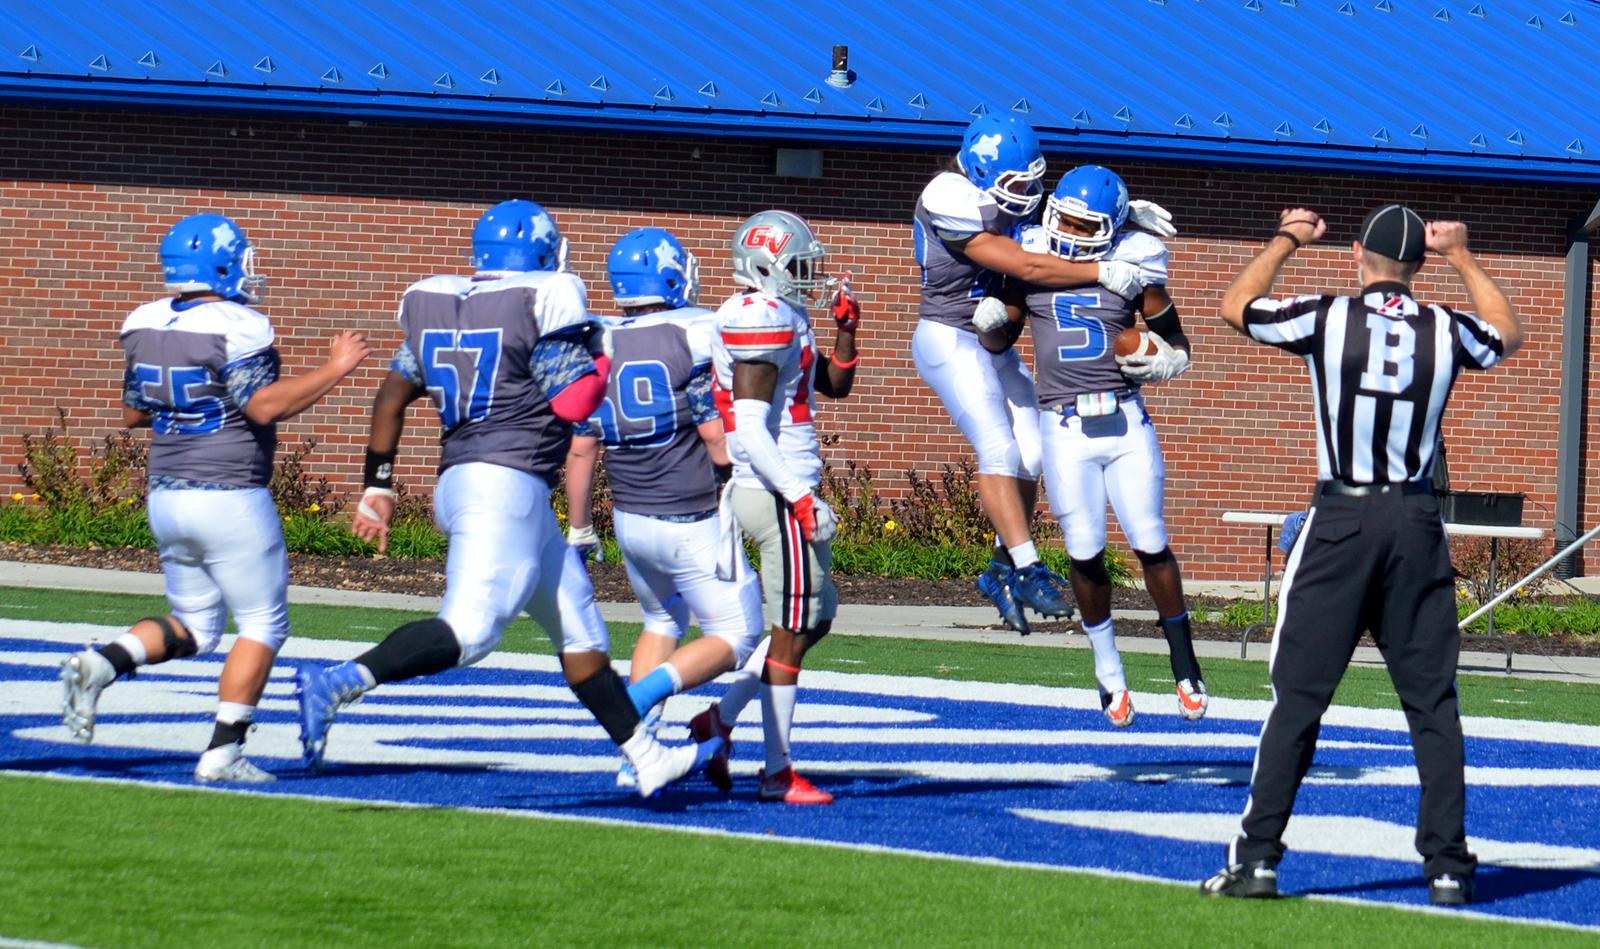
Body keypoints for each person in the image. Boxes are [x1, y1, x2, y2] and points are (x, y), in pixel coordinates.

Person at [294, 200, 717, 799]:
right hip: (505, 485)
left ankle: (646, 757)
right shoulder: (539, 303)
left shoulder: (441, 306)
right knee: (471, 633)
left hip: (469, 480)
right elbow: (573, 405)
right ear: (544, 254)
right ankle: (340, 680)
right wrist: (598, 356)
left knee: (581, 631)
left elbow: (390, 398)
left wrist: (377, 486)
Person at [1202, 205, 1520, 905]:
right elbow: (1506, 332)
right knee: (1433, 701)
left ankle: (1256, 859)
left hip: (1343, 515)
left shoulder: (1328, 316)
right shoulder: (1443, 326)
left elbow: (1235, 306)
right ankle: (1447, 866)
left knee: (1298, 700)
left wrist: (1285, 237)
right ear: (1419, 266)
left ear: (1357, 255)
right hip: (1414, 517)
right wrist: (1464, 256)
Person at [59, 212, 370, 782]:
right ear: (222, 264)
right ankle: (223, 753)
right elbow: (265, 406)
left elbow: (132, 413)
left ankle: (102, 663)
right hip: (229, 492)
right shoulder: (241, 324)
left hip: (166, 492)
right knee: (262, 625)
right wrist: (336, 368)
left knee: (197, 627)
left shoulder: (143, 320)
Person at [912, 113, 1173, 634]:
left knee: (1031, 454)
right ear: (984, 170)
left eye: (1035, 181)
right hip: (949, 335)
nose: (1030, 194)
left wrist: (1116, 221)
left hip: (992, 343)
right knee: (999, 450)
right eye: (1019, 184)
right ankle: (1028, 566)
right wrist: (1100, 270)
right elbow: (1026, 265)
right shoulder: (947, 194)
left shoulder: (1003, 201)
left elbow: (1058, 231)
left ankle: (1001, 567)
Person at [977, 165, 1206, 725]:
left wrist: (1168, 359)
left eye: (1087, 225)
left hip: (1125, 421)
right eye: (1067, 220)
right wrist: (990, 326)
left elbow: (1175, 338)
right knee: (1085, 553)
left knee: (1151, 542)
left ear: (1110, 227)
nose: (1073, 233)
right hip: (1064, 425)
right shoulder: (1030, 250)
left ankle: (1185, 664)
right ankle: (1109, 673)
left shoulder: (1136, 262)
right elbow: (1003, 327)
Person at [562, 226, 764, 789]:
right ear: (671, 277)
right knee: (738, 634)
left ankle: (636, 751)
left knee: (661, 619)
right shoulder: (693, 330)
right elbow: (717, 441)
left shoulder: (595, 339)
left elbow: (581, 446)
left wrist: (579, 526)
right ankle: (634, 704)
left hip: (628, 516)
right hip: (689, 515)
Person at [699, 209, 861, 804]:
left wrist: (846, 330)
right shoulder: (757, 317)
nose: (806, 276)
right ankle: (776, 771)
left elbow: (834, 387)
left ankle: (720, 719)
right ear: (765, 266)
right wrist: (799, 497)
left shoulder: (784, 315)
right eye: (796, 265)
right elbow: (749, 430)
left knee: (813, 618)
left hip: (781, 488)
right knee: (793, 627)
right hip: (773, 490)